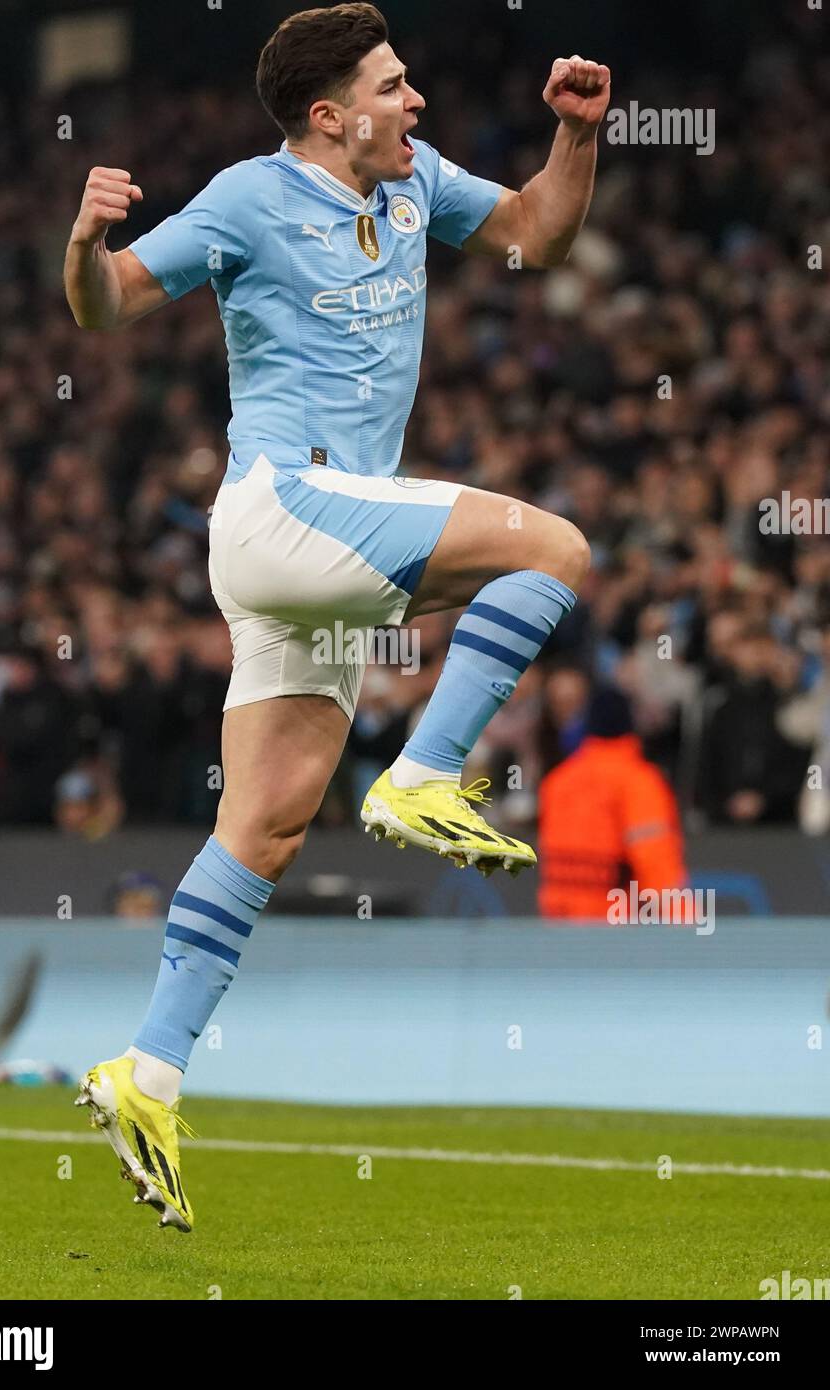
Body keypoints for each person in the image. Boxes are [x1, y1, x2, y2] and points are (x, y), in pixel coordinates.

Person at [65, 3, 605, 1231]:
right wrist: (85, 244)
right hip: (287, 504)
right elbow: (106, 308)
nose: (416, 102)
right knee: (557, 549)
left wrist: (576, 137)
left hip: (301, 545)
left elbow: (534, 233)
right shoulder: (246, 198)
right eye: (394, 84)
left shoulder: (417, 184)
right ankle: (425, 772)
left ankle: (145, 1073)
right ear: (330, 115)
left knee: (263, 826)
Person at [537, 688, 691, 920]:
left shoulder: (557, 782)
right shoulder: (639, 781)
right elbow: (656, 862)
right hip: (613, 931)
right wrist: (686, 928)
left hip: (560, 925)